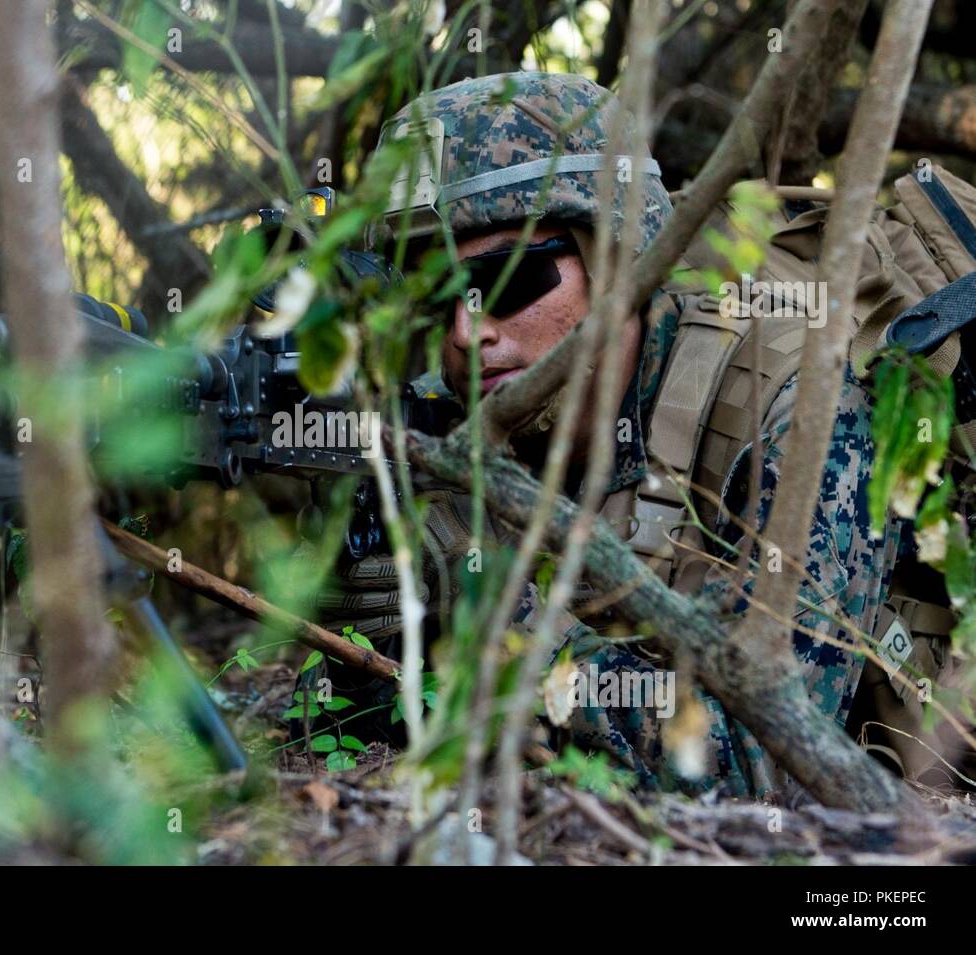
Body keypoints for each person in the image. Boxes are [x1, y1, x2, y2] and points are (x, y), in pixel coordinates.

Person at [308, 70, 963, 797]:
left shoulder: (794, 410)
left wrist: (494, 608)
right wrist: (371, 628)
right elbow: (348, 739)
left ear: (620, 261)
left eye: (507, 281)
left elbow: (761, 766)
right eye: (435, 295)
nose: (468, 332)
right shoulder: (455, 428)